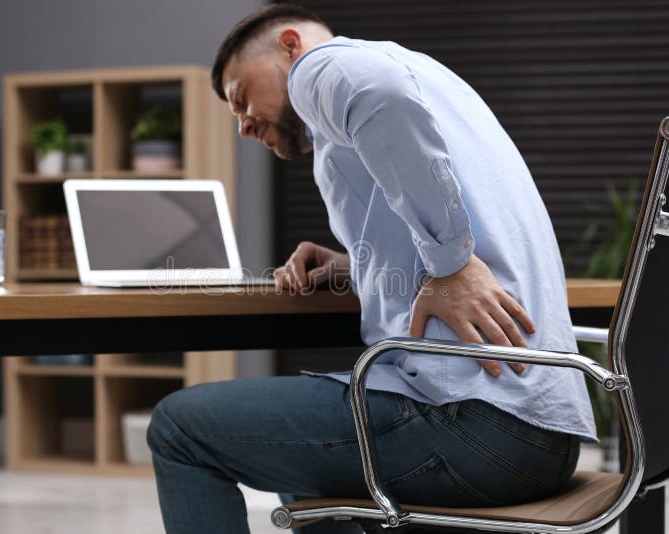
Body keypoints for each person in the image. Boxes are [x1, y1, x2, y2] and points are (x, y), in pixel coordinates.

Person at [147, 5, 596, 533]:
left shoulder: (320, 66)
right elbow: (435, 185)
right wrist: (354, 262)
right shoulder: (430, 78)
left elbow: (380, 95)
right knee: (305, 464)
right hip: (544, 431)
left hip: (474, 421)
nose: (243, 125)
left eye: (242, 97)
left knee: (180, 429)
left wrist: (450, 262)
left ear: (289, 45)